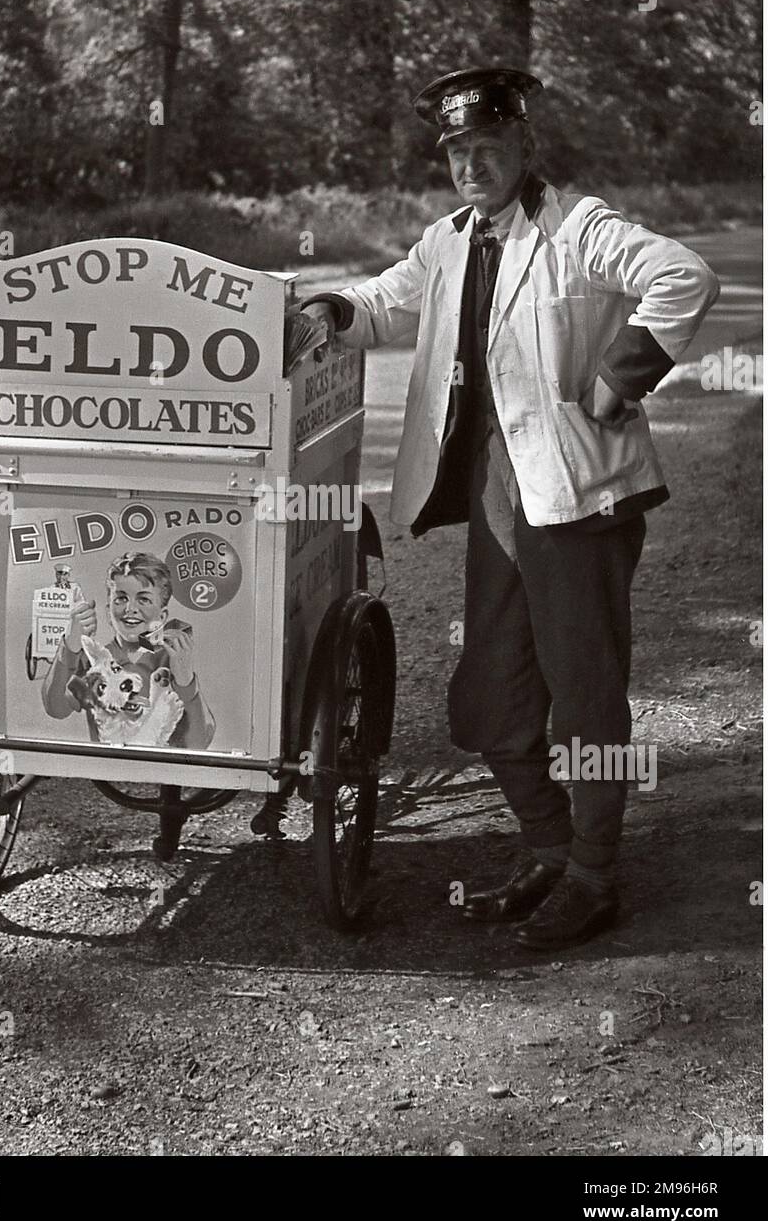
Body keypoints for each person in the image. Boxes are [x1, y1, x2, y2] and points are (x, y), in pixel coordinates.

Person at [299, 66, 720, 949]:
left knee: (583, 694)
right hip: (500, 496)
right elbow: (385, 303)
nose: (470, 163)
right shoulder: (449, 240)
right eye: (456, 148)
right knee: (489, 694)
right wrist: (334, 307)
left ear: (525, 145)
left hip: (580, 496)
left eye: (488, 145)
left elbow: (681, 276)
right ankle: (547, 845)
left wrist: (620, 376)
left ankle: (594, 877)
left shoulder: (578, 226)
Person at [42, 550, 215, 750]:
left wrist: (185, 682)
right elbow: (56, 708)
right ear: (108, 613)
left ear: (163, 615)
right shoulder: (97, 663)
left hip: (164, 768)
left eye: (143, 599)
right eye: (121, 599)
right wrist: (70, 646)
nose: (130, 608)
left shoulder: (171, 659)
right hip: (111, 765)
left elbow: (200, 741)